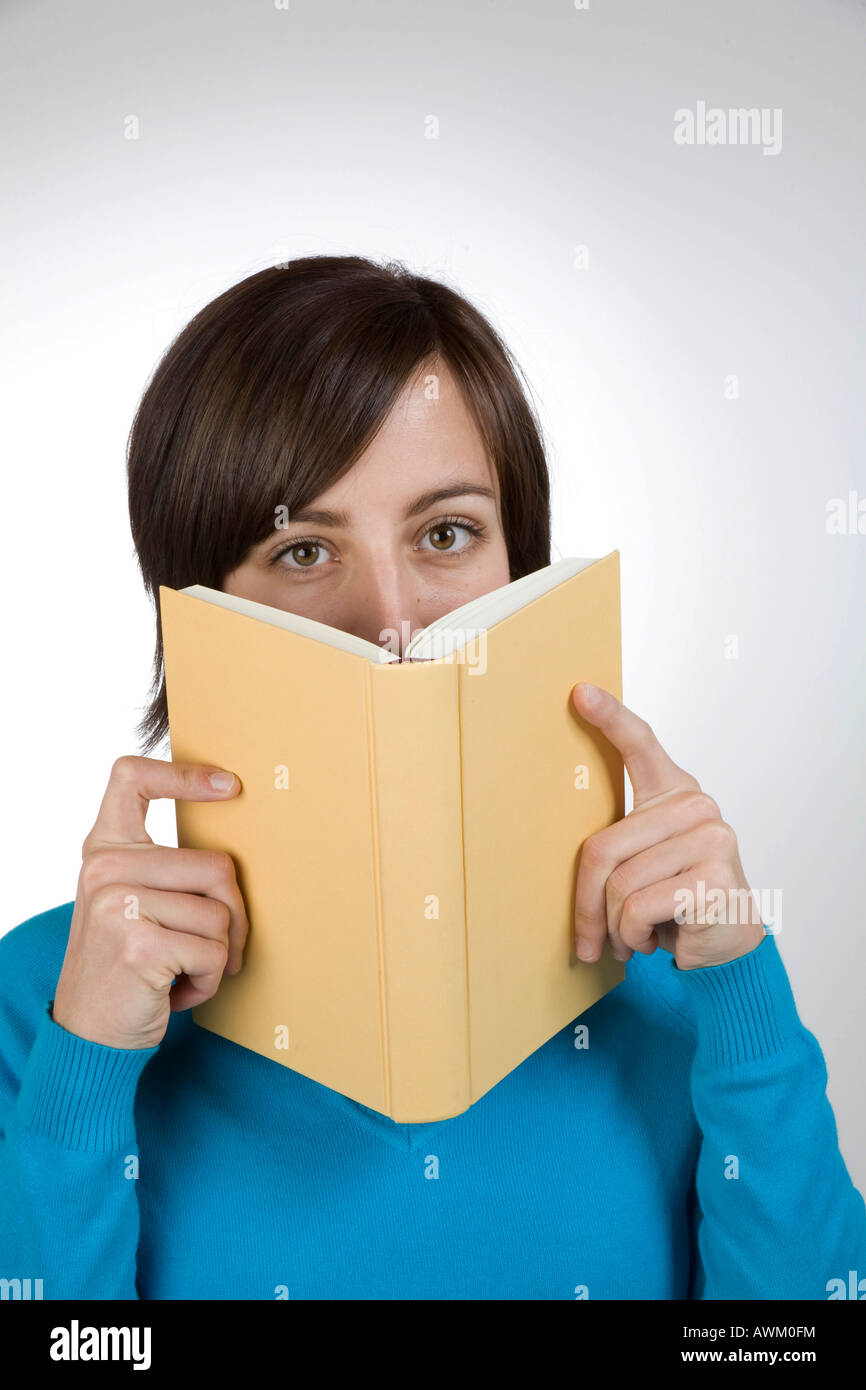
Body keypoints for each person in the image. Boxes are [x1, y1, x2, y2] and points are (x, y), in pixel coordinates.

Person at [1, 256, 864, 1301]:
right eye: (303, 550)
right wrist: (86, 1068)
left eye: (445, 533)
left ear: (521, 574)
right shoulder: (46, 999)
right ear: (194, 611)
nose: (393, 623)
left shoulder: (680, 983)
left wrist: (739, 992)